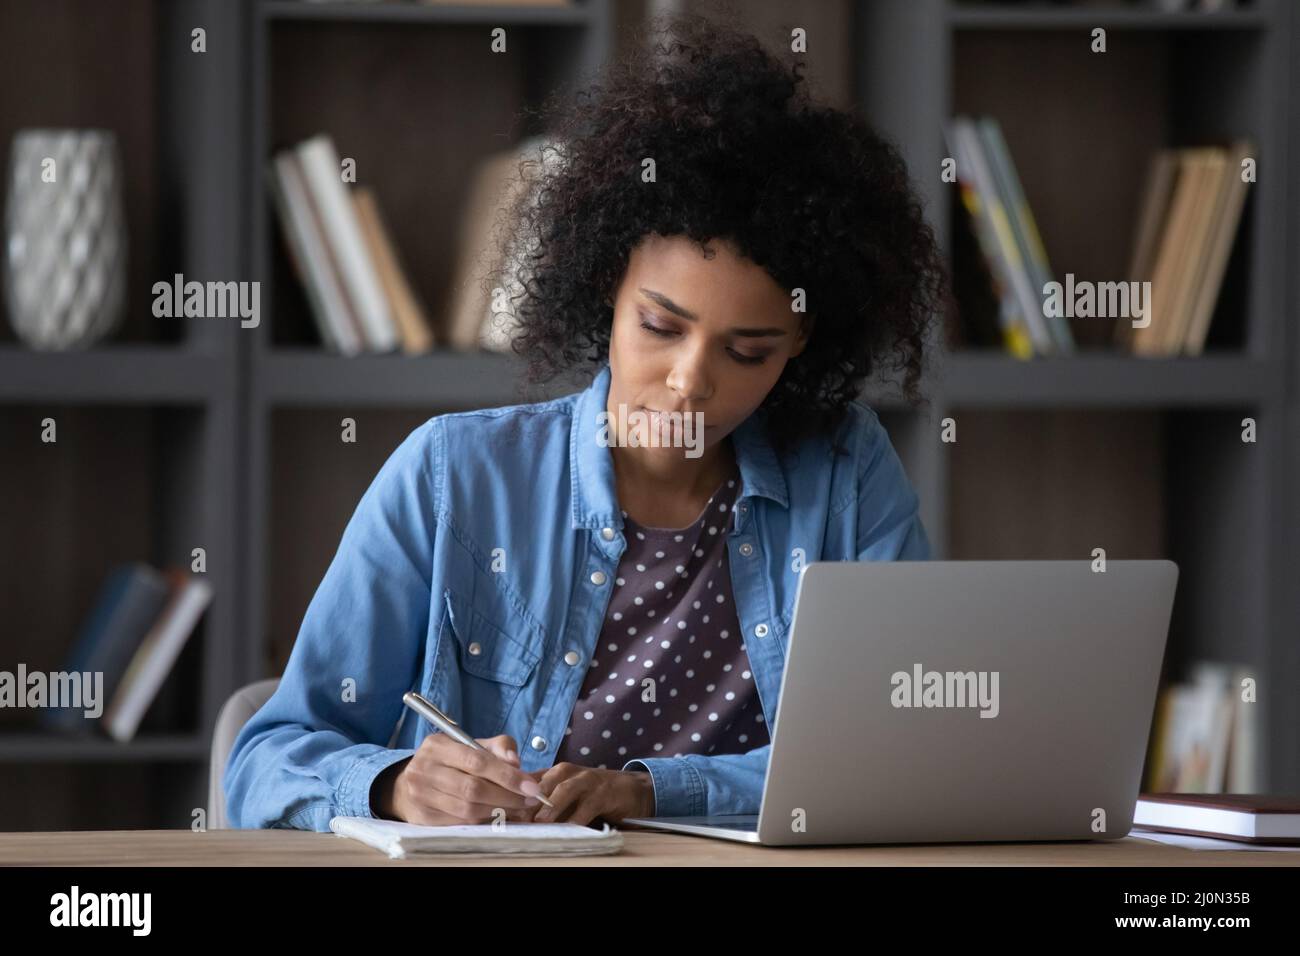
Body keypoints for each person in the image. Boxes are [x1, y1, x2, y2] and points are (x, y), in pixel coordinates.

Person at [223, 14, 948, 832]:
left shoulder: (847, 473)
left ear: (803, 342)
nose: (688, 383)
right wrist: (394, 785)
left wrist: (650, 790)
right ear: (608, 281)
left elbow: (902, 751)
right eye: (661, 326)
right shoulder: (452, 477)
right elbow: (262, 762)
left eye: (748, 351)